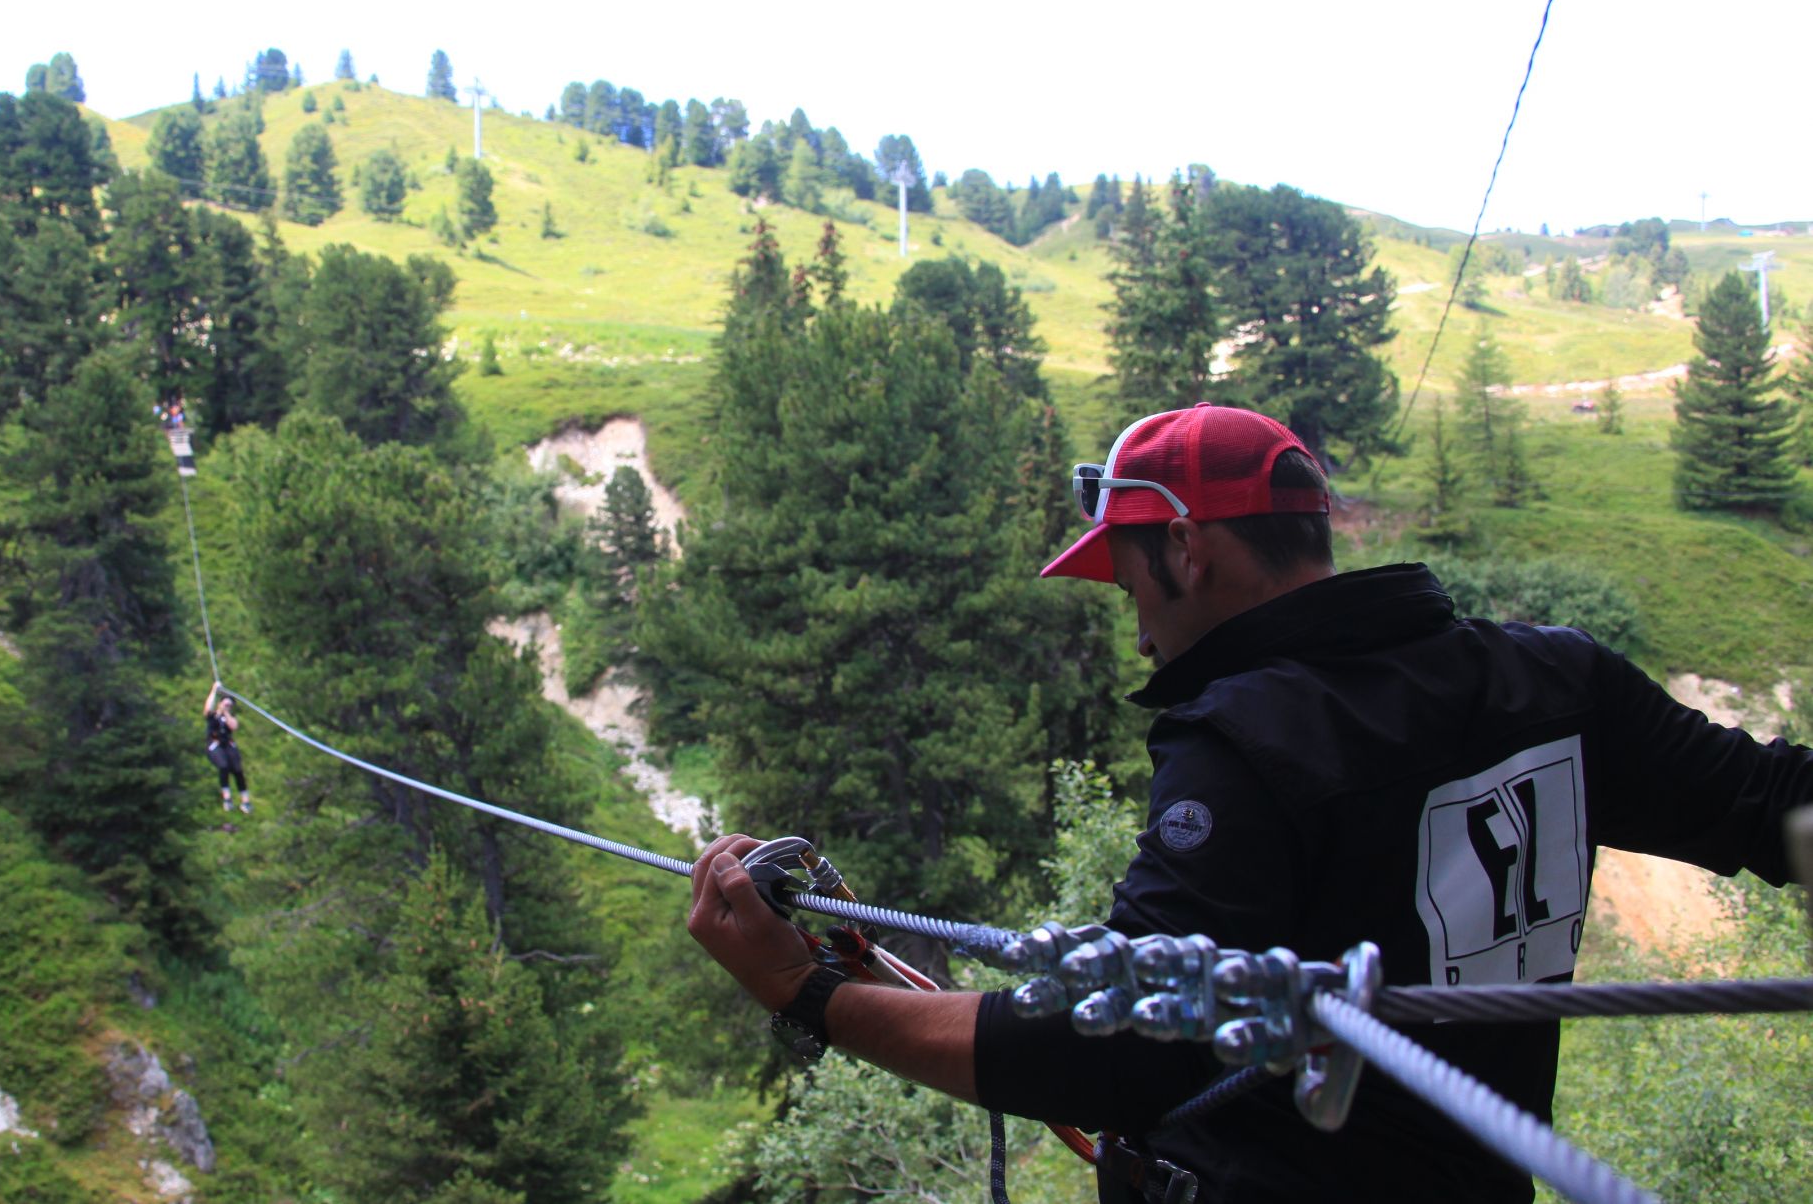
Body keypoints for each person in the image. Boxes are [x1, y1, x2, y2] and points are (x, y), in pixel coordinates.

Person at [686, 402, 1813, 1203]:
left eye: (1129, 584)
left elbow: (1110, 1052)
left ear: (1185, 548)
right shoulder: (1553, 680)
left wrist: (805, 993)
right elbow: (1771, 804)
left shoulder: (1252, 738)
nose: (1134, 628)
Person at [204, 681, 249, 814]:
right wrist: (214, 690)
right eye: (225, 704)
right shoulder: (213, 716)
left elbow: (233, 726)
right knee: (223, 766)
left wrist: (226, 713)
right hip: (215, 745)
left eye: (230, 705)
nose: (227, 707)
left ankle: (245, 801)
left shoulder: (230, 717)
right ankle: (227, 798)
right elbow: (207, 709)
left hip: (228, 744)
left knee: (238, 770)